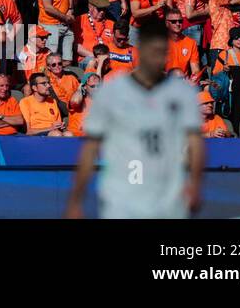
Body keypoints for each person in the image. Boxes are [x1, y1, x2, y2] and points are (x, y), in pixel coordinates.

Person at [66, 21, 205, 219]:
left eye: (163, 52)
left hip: (168, 200)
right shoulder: (112, 92)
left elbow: (195, 143)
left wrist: (195, 185)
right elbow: (90, 148)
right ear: (141, 48)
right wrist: (76, 200)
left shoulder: (182, 94)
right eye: (153, 51)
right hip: (122, 199)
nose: (159, 59)